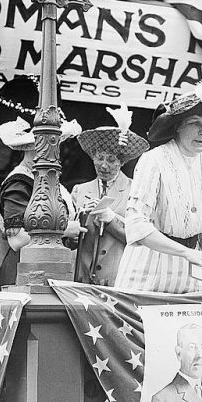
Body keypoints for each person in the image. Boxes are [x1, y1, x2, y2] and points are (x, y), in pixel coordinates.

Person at [114, 80, 202, 294]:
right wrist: (186, 253)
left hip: (191, 277)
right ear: (177, 126)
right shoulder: (154, 160)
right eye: (194, 122)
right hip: (148, 272)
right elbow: (136, 225)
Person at [0, 115, 83, 292]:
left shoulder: (47, 179)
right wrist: (65, 229)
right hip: (25, 274)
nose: (55, 151)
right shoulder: (18, 183)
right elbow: (17, 239)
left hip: (51, 270)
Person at [71, 105, 149, 286]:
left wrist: (110, 220)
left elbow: (138, 238)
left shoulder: (135, 190)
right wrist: (75, 231)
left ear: (121, 162)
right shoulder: (80, 191)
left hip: (118, 279)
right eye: (99, 158)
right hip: (82, 279)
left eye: (111, 159)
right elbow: (70, 242)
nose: (104, 165)